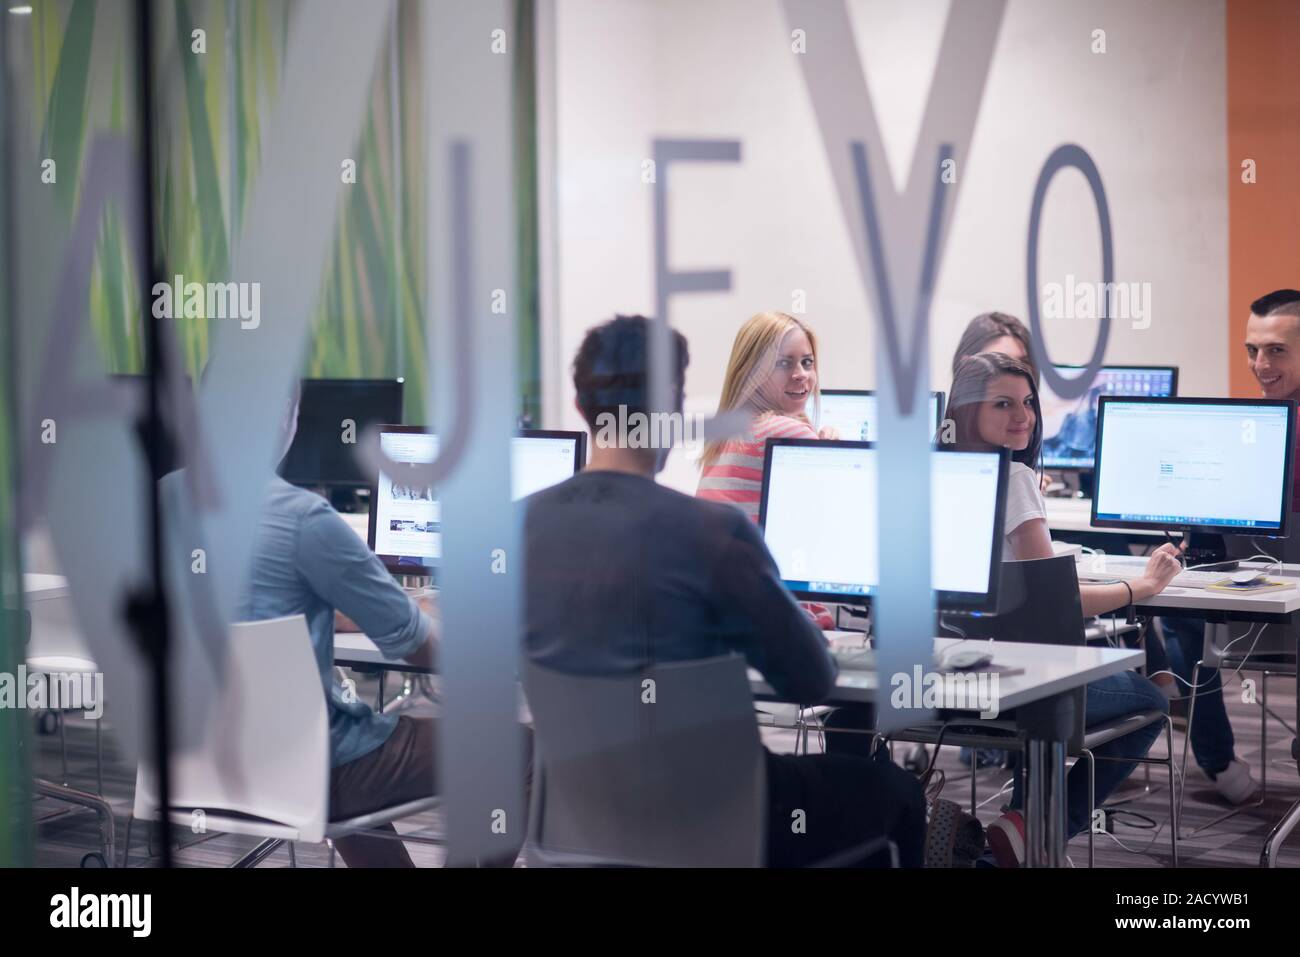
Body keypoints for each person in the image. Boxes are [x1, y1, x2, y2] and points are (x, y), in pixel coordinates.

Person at [523, 314, 926, 867]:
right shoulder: (713, 535)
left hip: (576, 818)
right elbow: (810, 678)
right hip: (721, 816)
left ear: (578, 406)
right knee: (897, 794)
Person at [179, 382, 522, 867]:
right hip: (307, 768)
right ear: (287, 419)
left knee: (347, 742)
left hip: (190, 761)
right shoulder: (304, 519)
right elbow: (419, 648)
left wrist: (343, 613)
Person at [946, 352, 1180, 865]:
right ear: (965, 411)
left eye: (1028, 402)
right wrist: (1140, 586)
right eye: (1003, 404)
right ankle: (1037, 827)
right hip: (1014, 683)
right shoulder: (1012, 479)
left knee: (1053, 683)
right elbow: (1056, 600)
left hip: (937, 680)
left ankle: (1015, 832)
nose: (1023, 416)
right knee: (1150, 703)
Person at [1155, 288, 1300, 804]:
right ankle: (1217, 760)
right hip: (1254, 611)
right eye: (1251, 350)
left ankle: (1217, 763)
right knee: (1175, 606)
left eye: (1276, 350)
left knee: (1175, 618)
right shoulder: (1249, 427)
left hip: (1268, 617)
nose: (1260, 364)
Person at [697, 311, 838, 521]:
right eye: (783, 363)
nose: (801, 374)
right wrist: (834, 453)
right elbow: (845, 506)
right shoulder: (784, 432)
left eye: (807, 362)